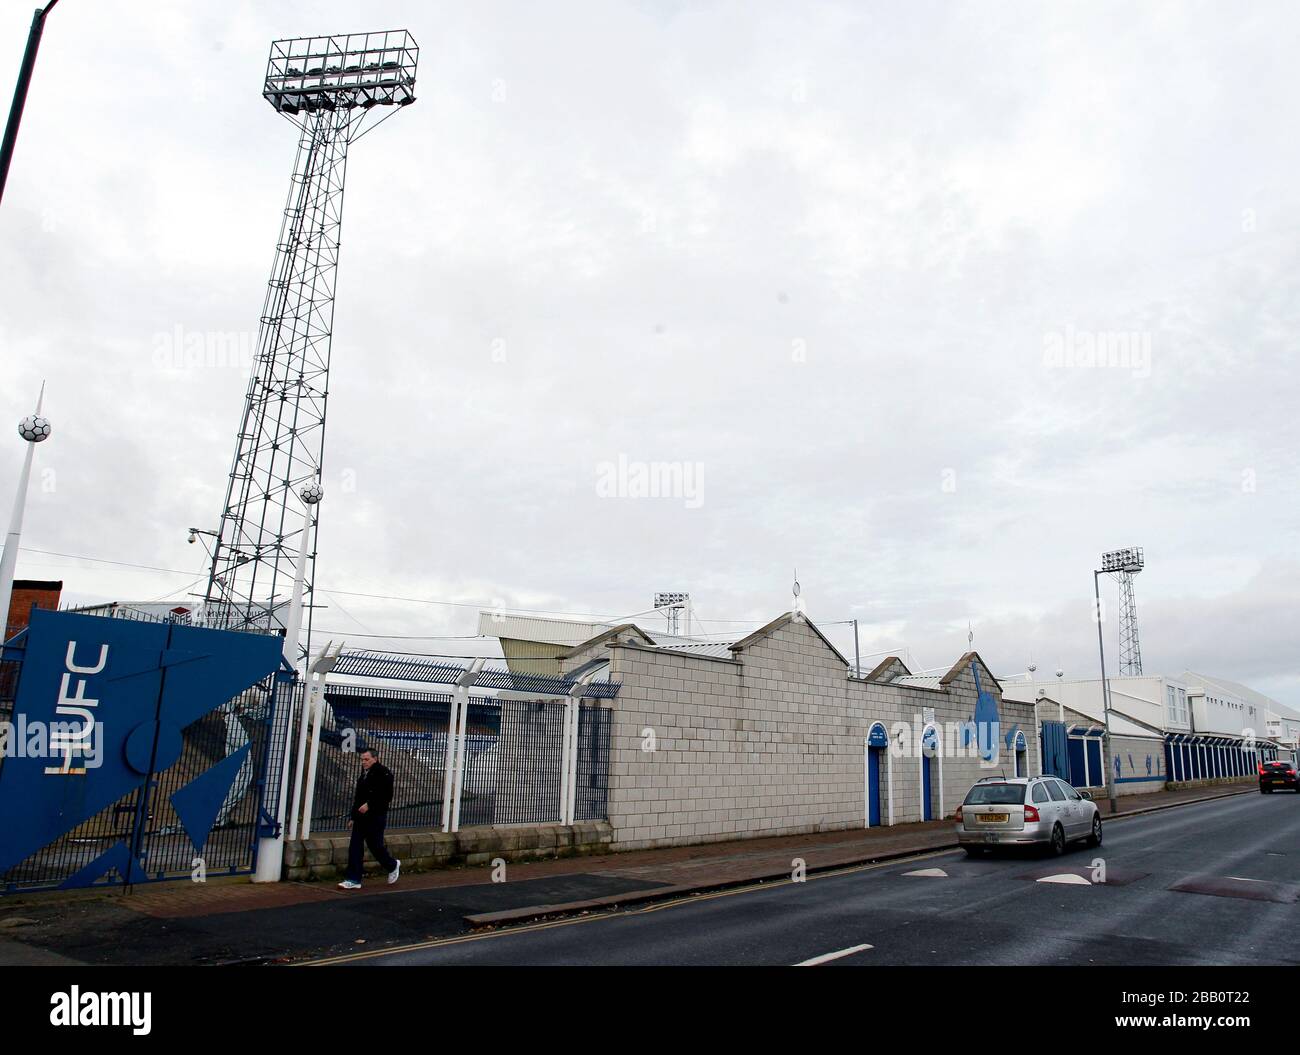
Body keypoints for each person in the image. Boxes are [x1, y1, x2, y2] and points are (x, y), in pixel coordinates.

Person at [337, 747, 400, 890]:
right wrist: (353, 816)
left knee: (375, 846)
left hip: (376, 816)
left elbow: (386, 795)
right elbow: (358, 797)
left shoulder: (384, 773)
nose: (364, 762)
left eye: (366, 759)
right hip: (361, 817)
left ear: (375, 759)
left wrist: (370, 805)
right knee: (355, 845)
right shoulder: (364, 775)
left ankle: (392, 865)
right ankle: (353, 879)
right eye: (362, 760)